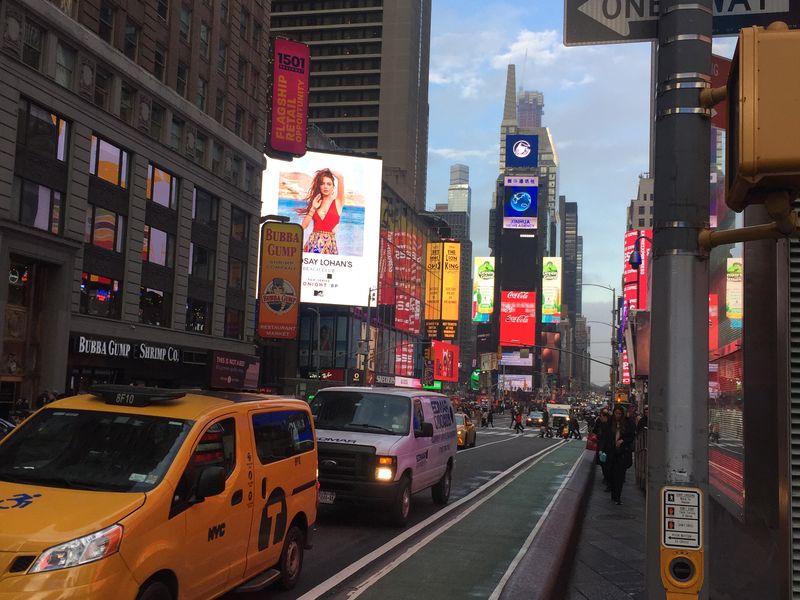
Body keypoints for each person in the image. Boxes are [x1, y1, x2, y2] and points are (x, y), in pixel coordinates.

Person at [296, 168, 345, 255]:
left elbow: (340, 177)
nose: (325, 186)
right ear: (319, 186)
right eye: (322, 184)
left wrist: (327, 170)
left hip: (329, 246)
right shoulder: (316, 202)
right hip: (312, 244)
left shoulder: (338, 202)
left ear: (333, 187)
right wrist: (313, 208)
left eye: (329, 184)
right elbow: (303, 226)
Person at [606, 406, 635, 505]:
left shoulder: (627, 423)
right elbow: (605, 436)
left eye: (619, 413)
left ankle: (617, 497)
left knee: (620, 476)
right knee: (611, 475)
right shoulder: (610, 423)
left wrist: (622, 441)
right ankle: (613, 494)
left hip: (622, 453)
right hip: (611, 453)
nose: (618, 415)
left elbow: (631, 436)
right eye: (616, 413)